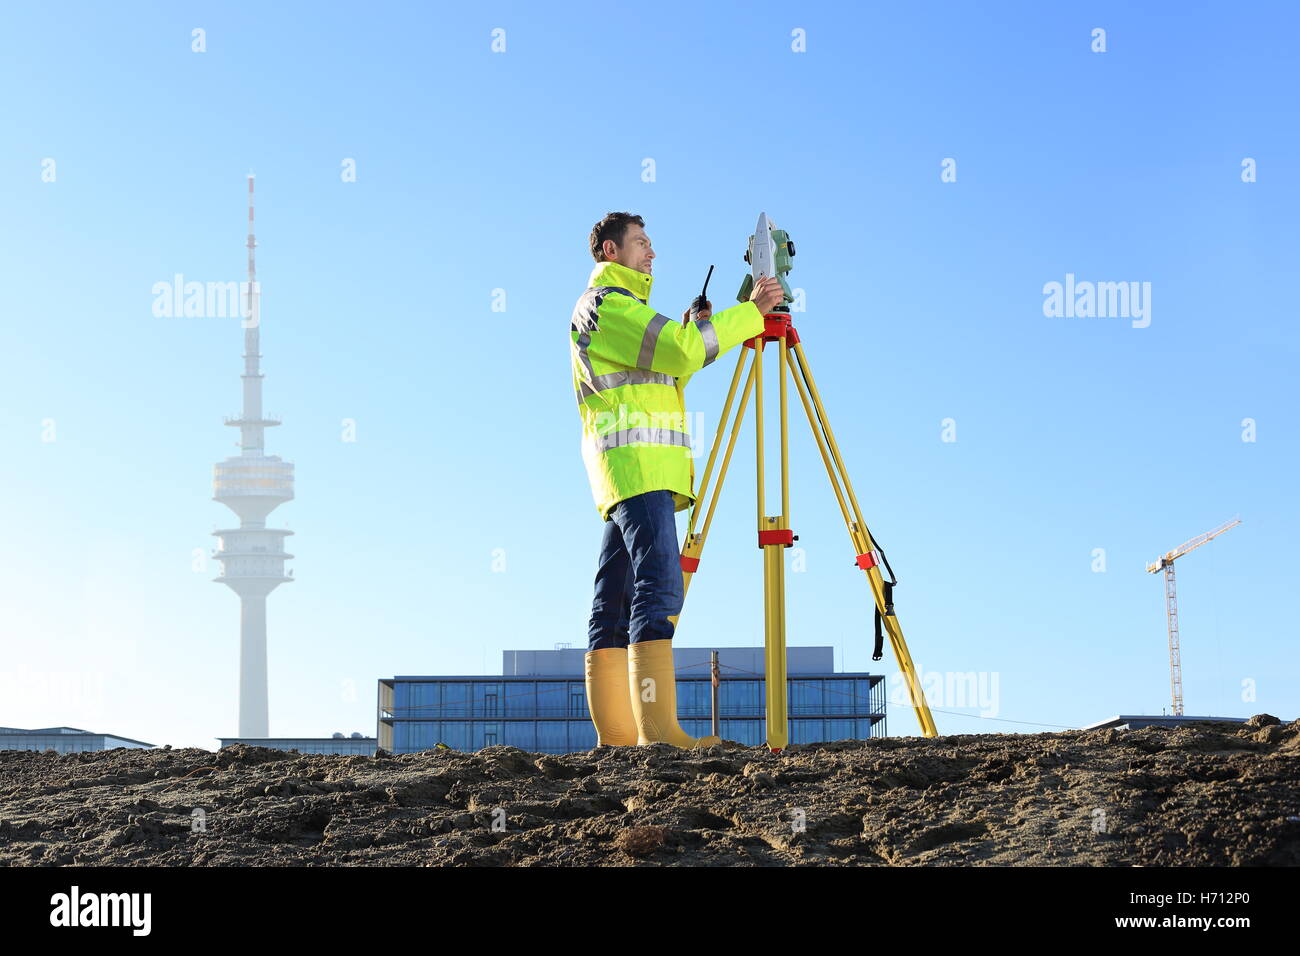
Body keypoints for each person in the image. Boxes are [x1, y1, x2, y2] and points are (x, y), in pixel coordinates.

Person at [571, 211, 786, 747]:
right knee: (658, 587)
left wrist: (700, 327)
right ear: (609, 251)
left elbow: (678, 362)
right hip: (638, 469)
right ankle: (659, 731)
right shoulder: (609, 305)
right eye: (641, 242)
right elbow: (682, 351)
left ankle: (619, 737)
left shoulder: (624, 312)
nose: (652, 252)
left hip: (632, 473)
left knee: (615, 596)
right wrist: (752, 314)